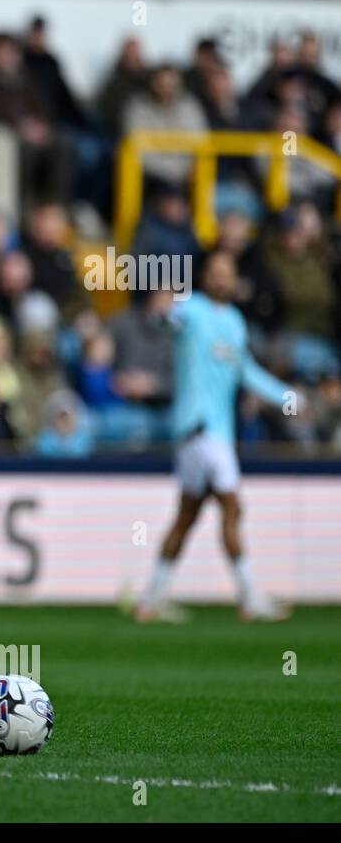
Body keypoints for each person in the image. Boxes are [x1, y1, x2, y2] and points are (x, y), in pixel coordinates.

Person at [133, 252, 297, 623]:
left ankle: (151, 598)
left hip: (210, 433)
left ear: (235, 279)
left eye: (227, 273)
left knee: (187, 516)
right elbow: (165, 321)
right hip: (202, 429)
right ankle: (250, 596)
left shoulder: (235, 323)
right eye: (215, 273)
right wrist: (162, 310)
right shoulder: (192, 309)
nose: (221, 279)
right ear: (206, 277)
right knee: (232, 506)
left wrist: (287, 397)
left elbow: (246, 372)